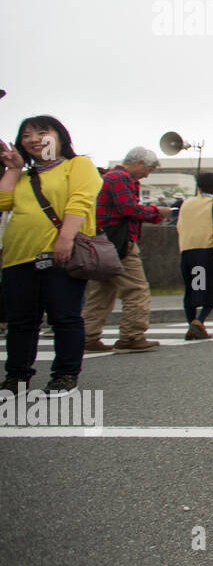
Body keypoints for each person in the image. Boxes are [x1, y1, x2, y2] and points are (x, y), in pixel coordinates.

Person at [0, 116, 102, 395]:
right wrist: (12, 169)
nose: (33, 139)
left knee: (64, 317)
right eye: (26, 135)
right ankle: (16, 377)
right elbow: (3, 202)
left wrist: (65, 239)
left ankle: (65, 375)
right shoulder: (24, 176)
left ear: (60, 136)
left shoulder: (78, 164)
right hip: (18, 257)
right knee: (21, 322)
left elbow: (80, 200)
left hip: (61, 253)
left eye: (42, 132)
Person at [82, 146, 168, 354]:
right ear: (138, 163)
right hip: (120, 243)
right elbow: (128, 209)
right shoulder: (120, 178)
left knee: (102, 291)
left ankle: (87, 336)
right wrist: (157, 212)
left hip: (100, 242)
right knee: (136, 289)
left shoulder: (109, 177)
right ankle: (131, 335)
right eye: (148, 169)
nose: (147, 174)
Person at [177, 172, 213, 340]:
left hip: (188, 251)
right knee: (212, 290)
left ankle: (193, 324)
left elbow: (179, 225)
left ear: (199, 186)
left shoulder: (187, 203)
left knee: (193, 290)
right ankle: (198, 322)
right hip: (207, 252)